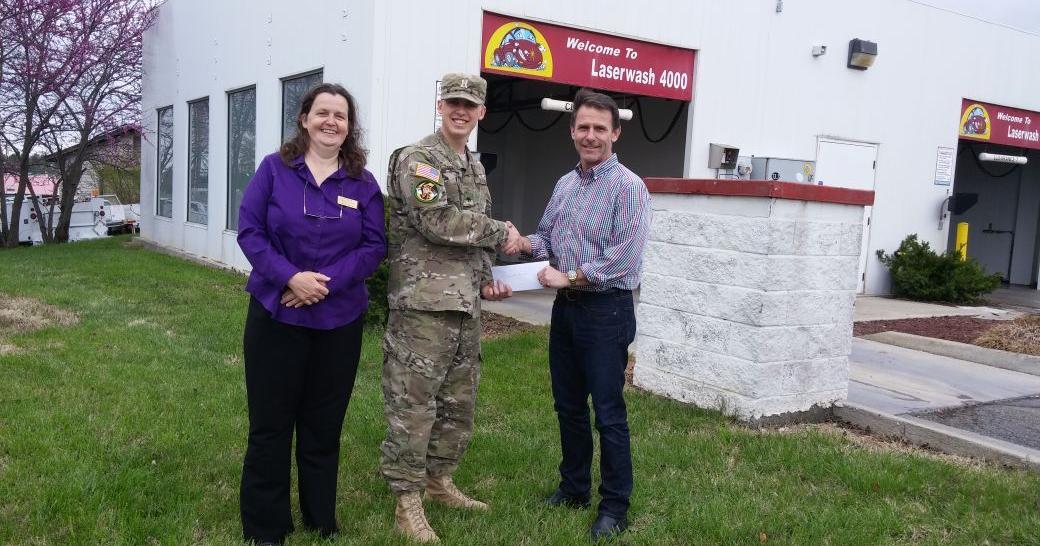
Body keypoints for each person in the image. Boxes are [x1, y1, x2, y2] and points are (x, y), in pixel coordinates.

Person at [236, 83, 386, 545]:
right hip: (276, 314)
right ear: (304, 119)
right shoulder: (274, 170)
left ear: (349, 127)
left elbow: (374, 245)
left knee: (324, 426)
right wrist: (290, 277)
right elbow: (250, 231)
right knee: (271, 425)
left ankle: (321, 519)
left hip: (337, 320)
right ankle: (266, 526)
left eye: (340, 116)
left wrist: (324, 284)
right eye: (323, 112)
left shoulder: (363, 183)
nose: (331, 122)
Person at [380, 72, 519, 543]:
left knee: (458, 403)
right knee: (413, 403)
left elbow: (472, 242)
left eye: (471, 105)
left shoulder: (475, 168)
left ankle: (439, 482)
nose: (461, 111)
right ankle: (407, 500)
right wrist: (501, 232)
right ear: (440, 106)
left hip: (463, 307)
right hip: (422, 305)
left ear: (481, 112)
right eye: (453, 103)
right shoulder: (419, 159)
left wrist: (487, 280)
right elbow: (437, 220)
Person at [508, 88, 651, 541]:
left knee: (607, 412)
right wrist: (517, 242)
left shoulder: (628, 187)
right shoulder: (565, 184)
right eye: (583, 128)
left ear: (616, 133)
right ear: (572, 131)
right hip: (567, 313)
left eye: (599, 128)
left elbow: (624, 260)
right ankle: (573, 489)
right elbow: (547, 238)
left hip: (605, 313)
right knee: (567, 406)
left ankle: (614, 506)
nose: (591, 136)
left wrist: (569, 276)